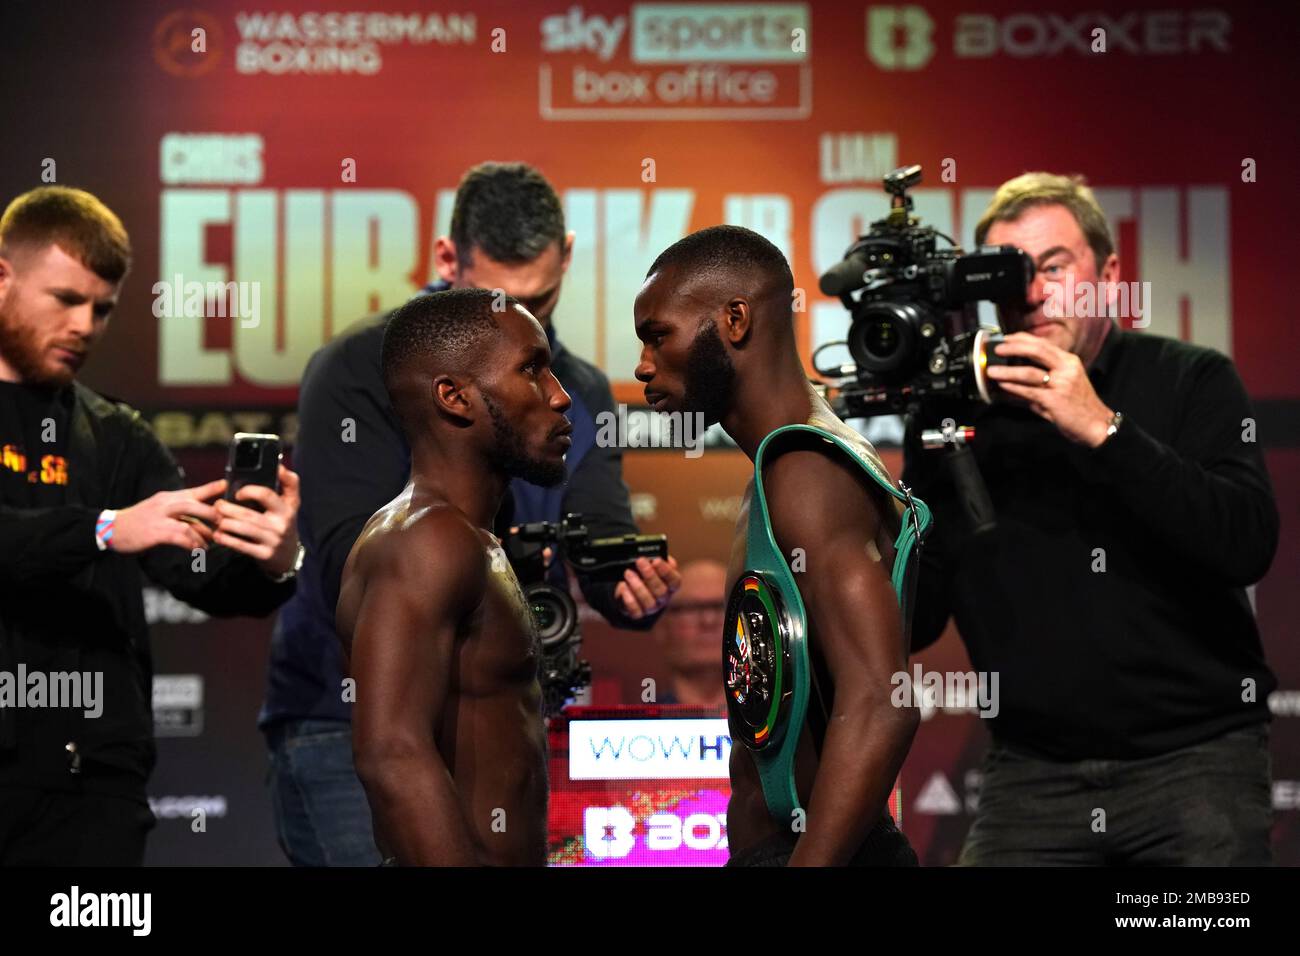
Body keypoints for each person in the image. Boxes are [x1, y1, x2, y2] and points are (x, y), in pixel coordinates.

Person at [260, 162, 679, 866]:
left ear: (567, 258)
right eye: (494, 301)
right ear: (448, 260)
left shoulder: (571, 388)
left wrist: (624, 577)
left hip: (495, 702)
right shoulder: (363, 372)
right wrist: (487, 563)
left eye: (538, 304)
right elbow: (351, 574)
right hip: (344, 714)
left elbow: (603, 537)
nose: (515, 322)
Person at [904, 172, 1279, 865]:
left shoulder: (1190, 379)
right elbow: (918, 616)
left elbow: (1245, 543)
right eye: (1011, 271)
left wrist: (1105, 430)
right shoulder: (953, 415)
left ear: (1108, 273)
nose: (1034, 291)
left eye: (1054, 266)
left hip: (1195, 762)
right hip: (1029, 775)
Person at [0, 186, 302, 865]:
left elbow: (201, 578)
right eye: (66, 300)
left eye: (102, 309)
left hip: (92, 791)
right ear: (3, 276)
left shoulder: (116, 435)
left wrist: (275, 557)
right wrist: (104, 530)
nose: (86, 325)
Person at [634, 225, 924, 867]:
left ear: (734, 320)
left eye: (658, 336)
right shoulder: (787, 461)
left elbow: (884, 702)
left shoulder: (805, 468)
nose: (643, 365)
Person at [337, 288, 568, 866]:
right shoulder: (426, 540)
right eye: (532, 371)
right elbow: (390, 753)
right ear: (454, 397)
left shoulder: (464, 537)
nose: (560, 397)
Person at [654, 560, 727, 708]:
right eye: (691, 608)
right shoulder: (640, 725)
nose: (709, 621)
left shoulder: (777, 725)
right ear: (662, 627)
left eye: (722, 606)